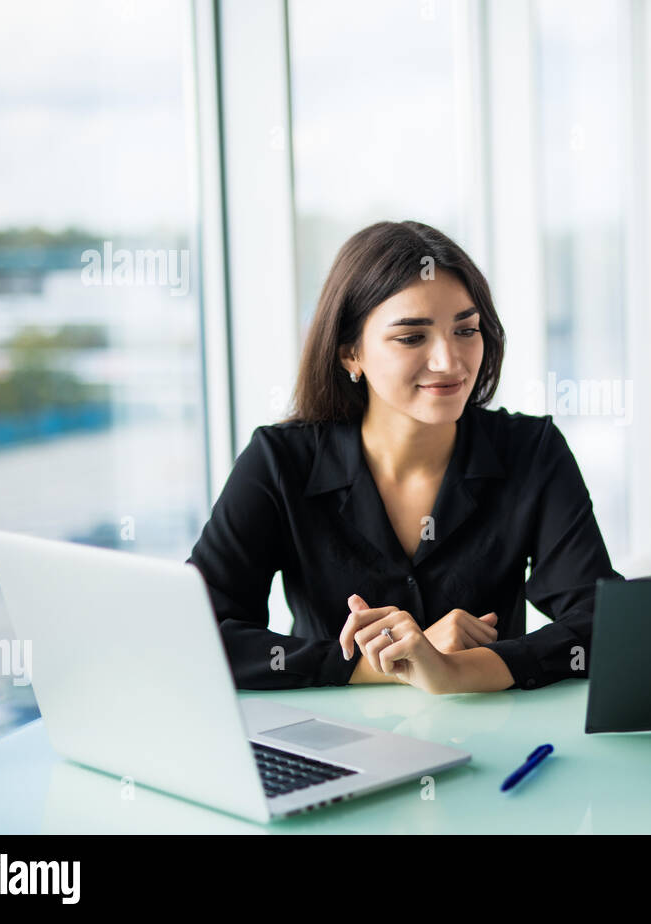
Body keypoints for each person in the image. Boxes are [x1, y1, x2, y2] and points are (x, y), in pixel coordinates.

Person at [187, 220, 618, 694]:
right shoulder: (279, 460)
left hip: (492, 740)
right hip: (332, 742)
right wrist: (384, 666)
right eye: (412, 337)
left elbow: (604, 621)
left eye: (466, 330)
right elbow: (192, 632)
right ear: (350, 353)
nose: (449, 362)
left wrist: (463, 670)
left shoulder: (531, 450)